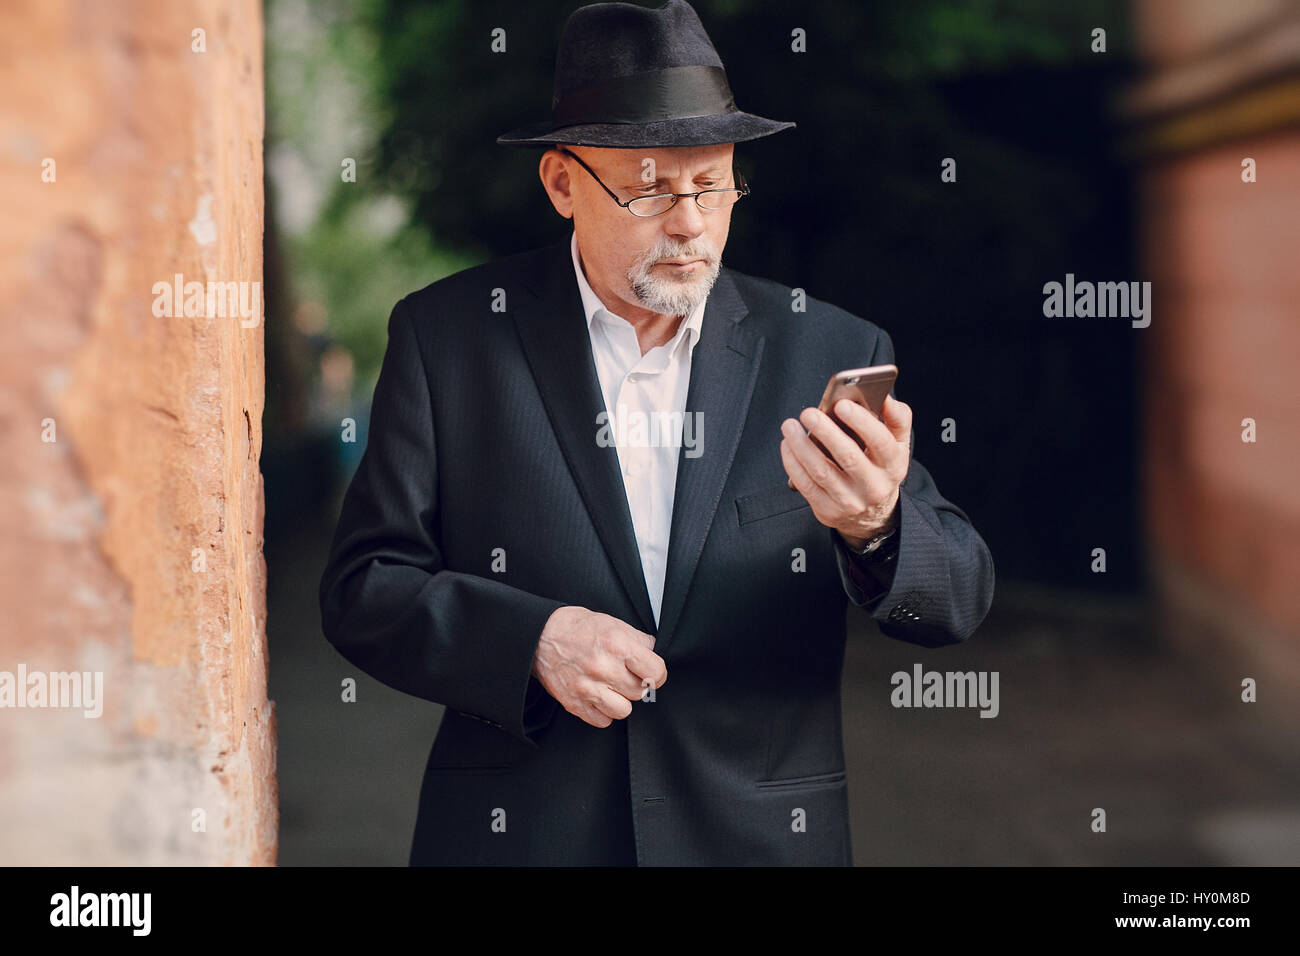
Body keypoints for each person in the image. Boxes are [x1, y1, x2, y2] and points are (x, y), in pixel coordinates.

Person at [318, 0, 994, 866]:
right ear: (562, 184)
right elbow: (364, 588)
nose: (689, 222)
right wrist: (529, 642)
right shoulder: (447, 337)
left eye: (712, 184)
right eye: (648, 186)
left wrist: (878, 525)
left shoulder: (828, 349)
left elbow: (957, 600)